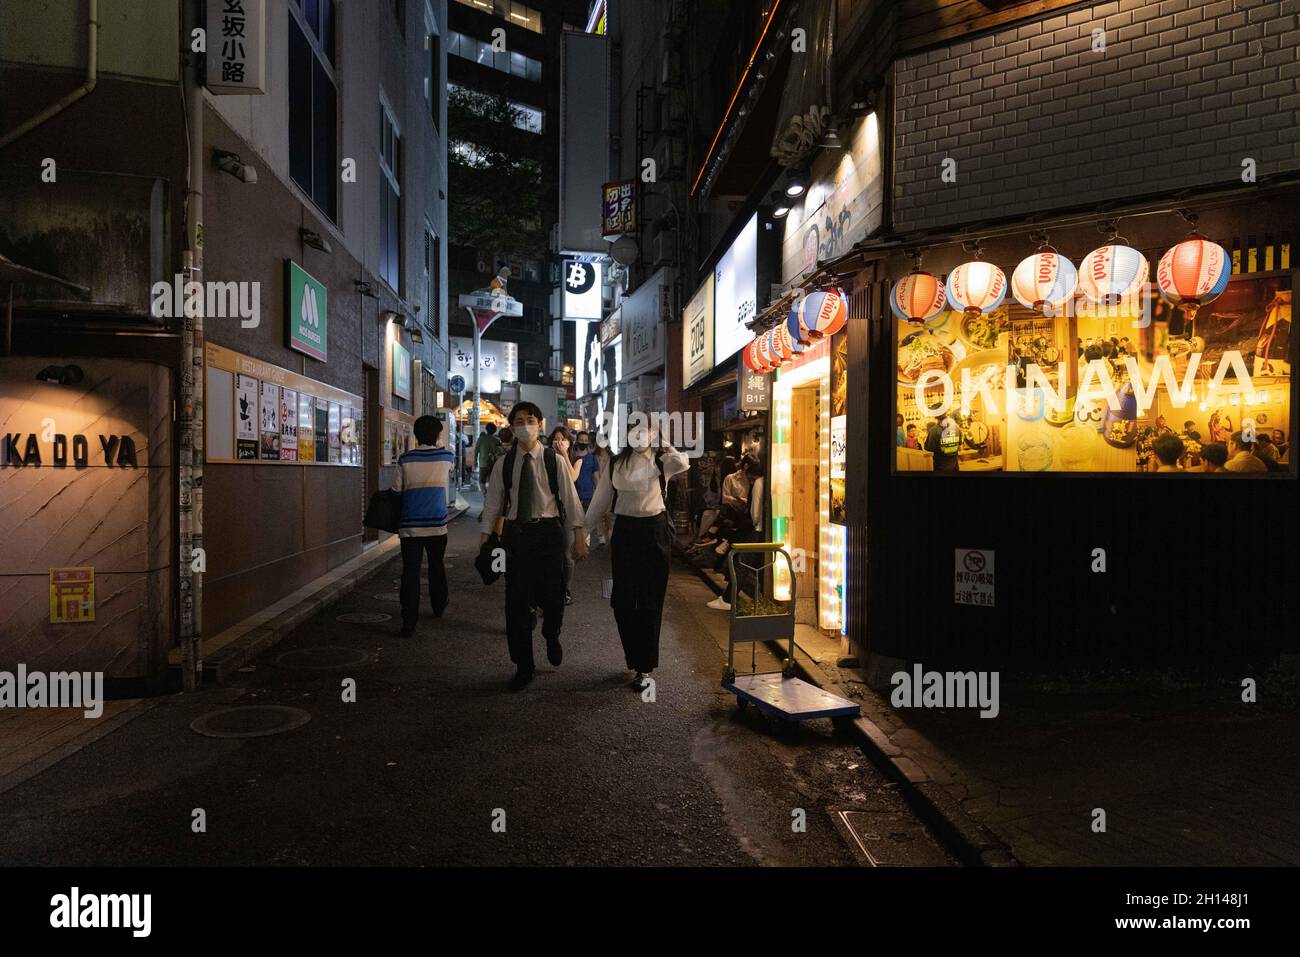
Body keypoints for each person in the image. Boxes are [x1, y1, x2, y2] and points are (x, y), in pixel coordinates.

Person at [481, 402, 588, 690]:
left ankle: (552, 635)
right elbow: (492, 502)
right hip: (516, 535)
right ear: (511, 426)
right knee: (515, 603)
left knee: (553, 597)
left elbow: (570, 498)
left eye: (530, 420)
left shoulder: (553, 460)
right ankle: (523, 666)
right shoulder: (504, 463)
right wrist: (484, 537)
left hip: (550, 534)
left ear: (540, 424)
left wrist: (578, 536)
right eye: (519, 421)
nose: (525, 425)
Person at [584, 421, 688, 690]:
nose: (641, 435)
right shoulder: (617, 463)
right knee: (623, 601)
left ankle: (644, 667)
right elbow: (601, 500)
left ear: (654, 434)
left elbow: (683, 462)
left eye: (647, 430)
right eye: (635, 430)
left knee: (651, 601)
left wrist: (663, 442)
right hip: (626, 532)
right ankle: (633, 656)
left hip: (655, 532)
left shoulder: (662, 461)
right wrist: (583, 531)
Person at [392, 415, 457, 637]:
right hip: (437, 525)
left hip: (410, 525)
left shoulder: (405, 459)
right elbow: (450, 468)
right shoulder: (446, 455)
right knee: (436, 565)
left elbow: (396, 491)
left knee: (410, 572)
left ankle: (408, 621)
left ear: (416, 435)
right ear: (438, 434)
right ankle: (438, 605)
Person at [549, 425, 584, 605]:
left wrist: (563, 455)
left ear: (569, 443)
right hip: (551, 510)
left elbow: (572, 477)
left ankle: (566, 589)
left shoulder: (577, 460)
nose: (559, 442)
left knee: (567, 552)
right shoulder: (546, 459)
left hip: (568, 509)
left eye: (562, 439)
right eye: (555, 439)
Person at [474, 423, 504, 491]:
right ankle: (491, 494)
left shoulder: (481, 439)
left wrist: (475, 462)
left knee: (482, 481)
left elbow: (476, 451)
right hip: (493, 464)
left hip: (483, 463)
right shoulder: (496, 440)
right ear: (495, 430)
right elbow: (500, 453)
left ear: (486, 429)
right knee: (492, 481)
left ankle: (485, 494)